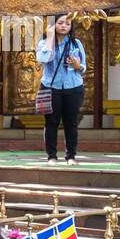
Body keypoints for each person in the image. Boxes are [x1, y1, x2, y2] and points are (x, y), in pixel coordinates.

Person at [35, 13, 86, 164]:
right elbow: (44, 59)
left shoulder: (76, 43)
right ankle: (51, 156)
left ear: (71, 27)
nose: (64, 26)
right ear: (53, 25)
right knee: (51, 122)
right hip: (51, 86)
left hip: (73, 86)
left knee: (71, 122)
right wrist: (50, 38)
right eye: (60, 23)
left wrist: (77, 66)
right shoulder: (43, 43)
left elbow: (84, 68)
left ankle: (71, 156)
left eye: (67, 24)